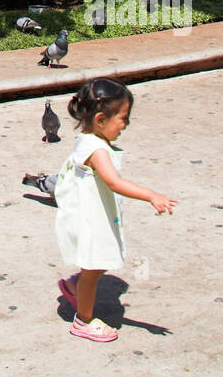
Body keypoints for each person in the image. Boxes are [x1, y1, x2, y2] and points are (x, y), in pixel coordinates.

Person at [54, 78, 177, 343]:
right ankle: (83, 320)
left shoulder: (88, 138)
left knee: (98, 265)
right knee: (94, 267)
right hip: (91, 220)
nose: (126, 125)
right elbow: (114, 182)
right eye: (123, 118)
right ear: (100, 119)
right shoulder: (97, 150)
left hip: (91, 214)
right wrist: (151, 195)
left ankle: (76, 285)